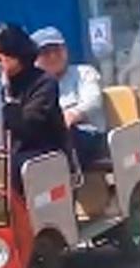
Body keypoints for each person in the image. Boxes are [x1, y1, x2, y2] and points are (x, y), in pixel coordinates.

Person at [0, 23, 72, 195]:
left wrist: (7, 98)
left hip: (42, 154)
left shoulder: (43, 82)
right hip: (7, 152)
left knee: (7, 168)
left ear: (17, 52)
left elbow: (29, 126)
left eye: (1, 56)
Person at [31, 26, 108, 168]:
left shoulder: (84, 73)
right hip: (50, 139)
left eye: (57, 50)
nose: (53, 56)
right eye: (46, 52)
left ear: (66, 50)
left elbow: (93, 100)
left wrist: (72, 114)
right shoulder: (32, 86)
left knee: (62, 138)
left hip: (87, 135)